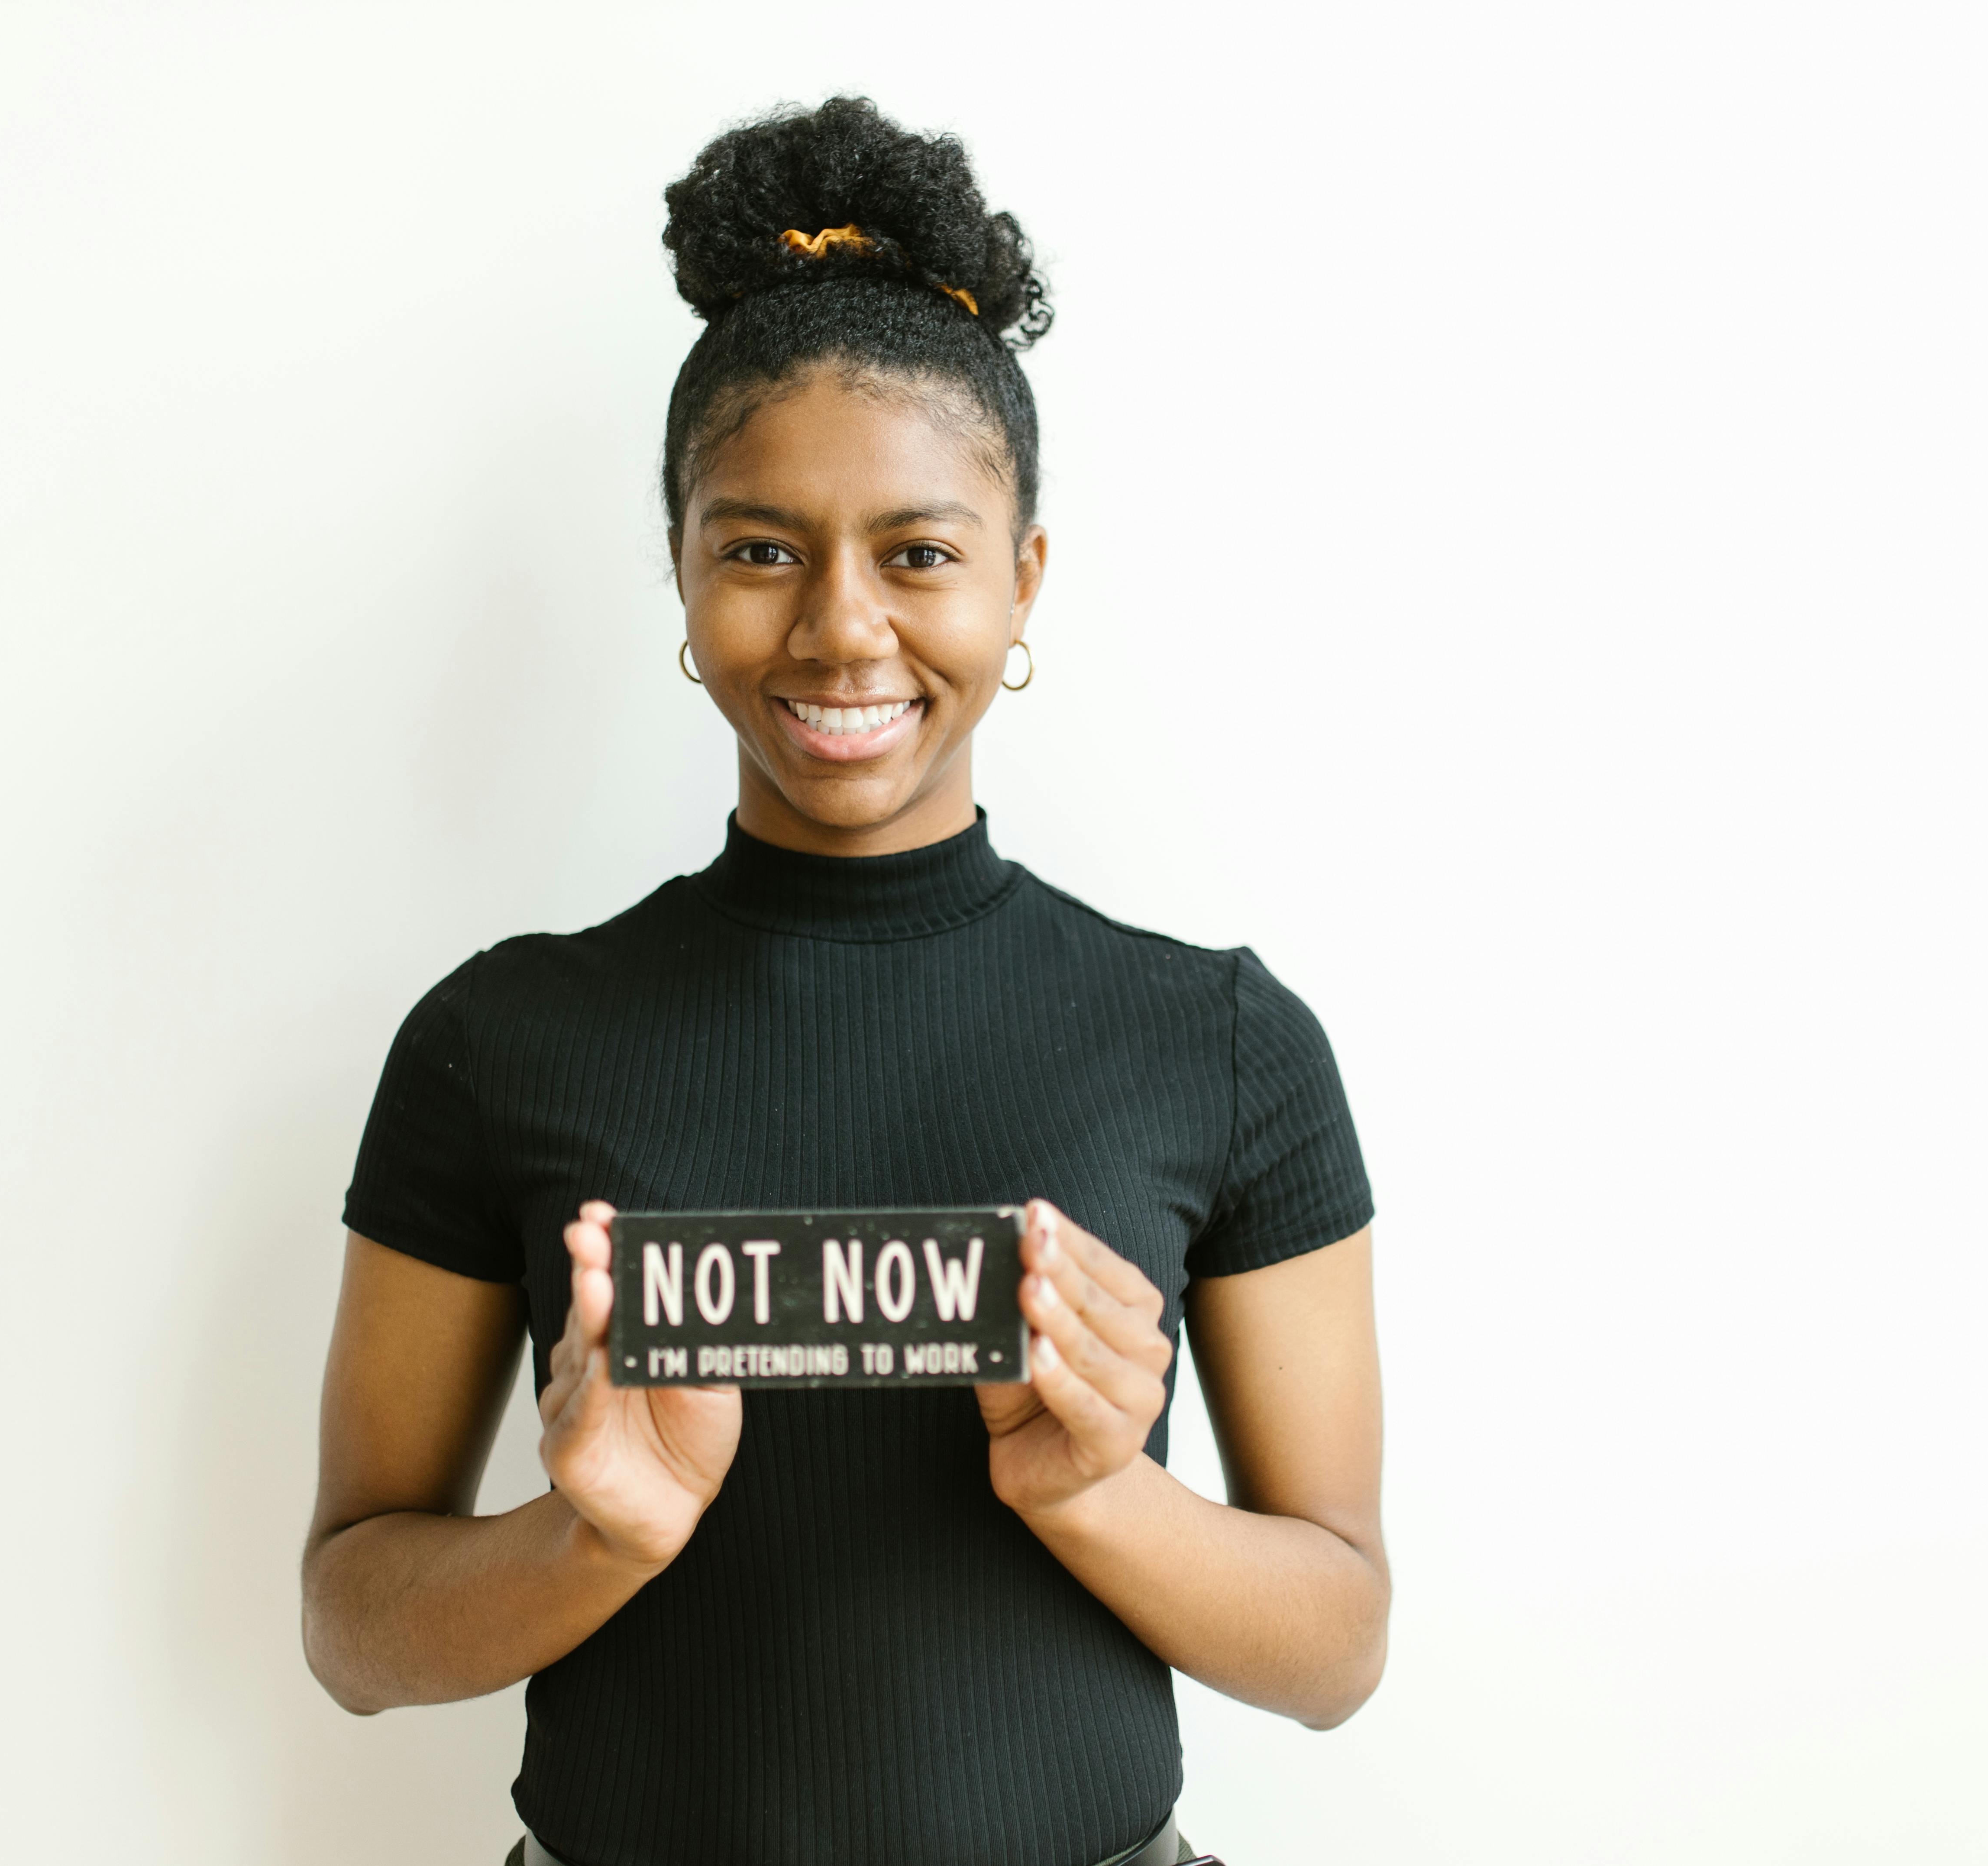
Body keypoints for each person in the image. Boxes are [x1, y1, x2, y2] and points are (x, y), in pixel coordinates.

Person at [301, 96, 1386, 1866]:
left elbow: (1335, 1643)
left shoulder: (1224, 1044)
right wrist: (589, 1535)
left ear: (1020, 580)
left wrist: (1099, 1487)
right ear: (679, 566)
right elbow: (352, 1626)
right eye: (758, 548)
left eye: (919, 551)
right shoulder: (497, 1041)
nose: (839, 628)